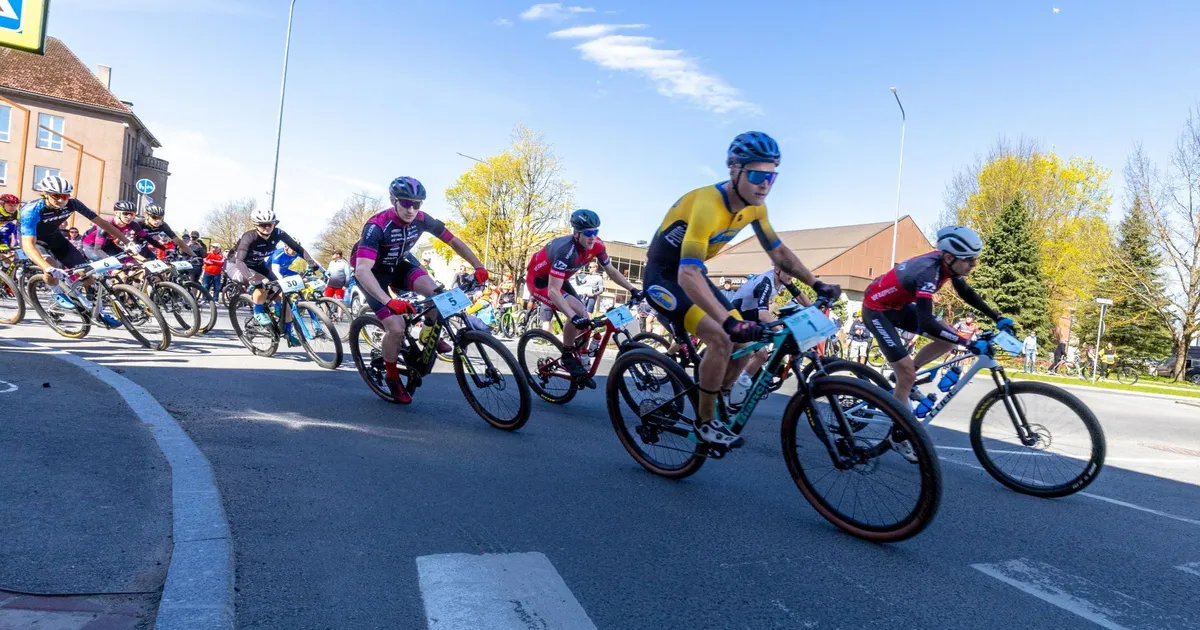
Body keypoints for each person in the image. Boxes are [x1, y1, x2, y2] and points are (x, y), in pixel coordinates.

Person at [642, 131, 838, 448]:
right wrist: (731, 322)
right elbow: (688, 272)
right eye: (758, 175)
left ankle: (713, 399)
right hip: (664, 277)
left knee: (739, 343)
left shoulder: (756, 208)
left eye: (772, 177)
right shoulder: (707, 204)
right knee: (722, 337)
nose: (765, 185)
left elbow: (779, 253)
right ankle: (706, 423)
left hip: (693, 273)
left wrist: (816, 283)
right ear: (734, 170)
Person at [861, 225, 1014, 428]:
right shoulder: (927, 273)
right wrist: (967, 342)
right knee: (907, 373)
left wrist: (997, 317)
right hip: (877, 311)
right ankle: (901, 433)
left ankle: (908, 377)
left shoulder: (946, 264)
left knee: (946, 341)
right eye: (969, 259)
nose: (974, 264)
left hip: (897, 307)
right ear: (950, 257)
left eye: (974, 258)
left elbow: (966, 293)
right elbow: (927, 323)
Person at [352, 176, 487, 403]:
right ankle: (393, 378)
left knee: (439, 297)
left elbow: (454, 241)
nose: (411, 209)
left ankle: (427, 334)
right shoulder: (376, 226)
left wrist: (478, 265)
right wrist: (388, 301)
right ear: (393, 200)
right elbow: (362, 271)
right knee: (395, 327)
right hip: (372, 272)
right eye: (405, 203)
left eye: (417, 204)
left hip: (400, 265)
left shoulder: (423, 219)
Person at [526, 209, 642, 381]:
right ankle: (567, 356)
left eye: (595, 232)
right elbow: (552, 291)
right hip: (540, 282)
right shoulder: (564, 250)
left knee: (586, 321)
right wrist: (572, 316)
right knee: (578, 313)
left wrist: (632, 289)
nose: (592, 237)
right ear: (576, 233)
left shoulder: (597, 245)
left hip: (560, 279)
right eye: (588, 233)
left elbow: (611, 271)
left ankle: (581, 354)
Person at [18, 176, 136, 321]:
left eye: (65, 196)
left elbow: (101, 223)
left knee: (86, 274)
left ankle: (96, 311)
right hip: (34, 240)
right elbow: (28, 244)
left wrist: (127, 242)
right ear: (45, 194)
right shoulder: (31, 210)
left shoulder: (73, 204)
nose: (62, 200)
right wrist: (46, 267)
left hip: (55, 237)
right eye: (56, 196)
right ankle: (56, 292)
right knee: (51, 267)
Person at [227, 206, 322, 327]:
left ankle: (287, 330)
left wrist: (311, 261)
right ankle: (258, 313)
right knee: (261, 286)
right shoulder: (249, 237)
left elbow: (297, 248)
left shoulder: (278, 233)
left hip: (258, 265)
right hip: (236, 265)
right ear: (256, 225)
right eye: (263, 225)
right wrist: (251, 280)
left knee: (282, 295)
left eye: (270, 224)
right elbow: (240, 261)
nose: (267, 228)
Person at [725, 264, 805, 404]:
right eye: (788, 272)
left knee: (762, 354)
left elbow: (799, 296)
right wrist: (781, 331)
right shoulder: (766, 282)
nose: (790, 276)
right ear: (777, 270)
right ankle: (733, 390)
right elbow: (763, 315)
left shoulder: (782, 279)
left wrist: (816, 310)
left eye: (792, 273)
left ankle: (741, 385)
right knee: (757, 353)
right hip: (738, 316)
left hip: (751, 316)